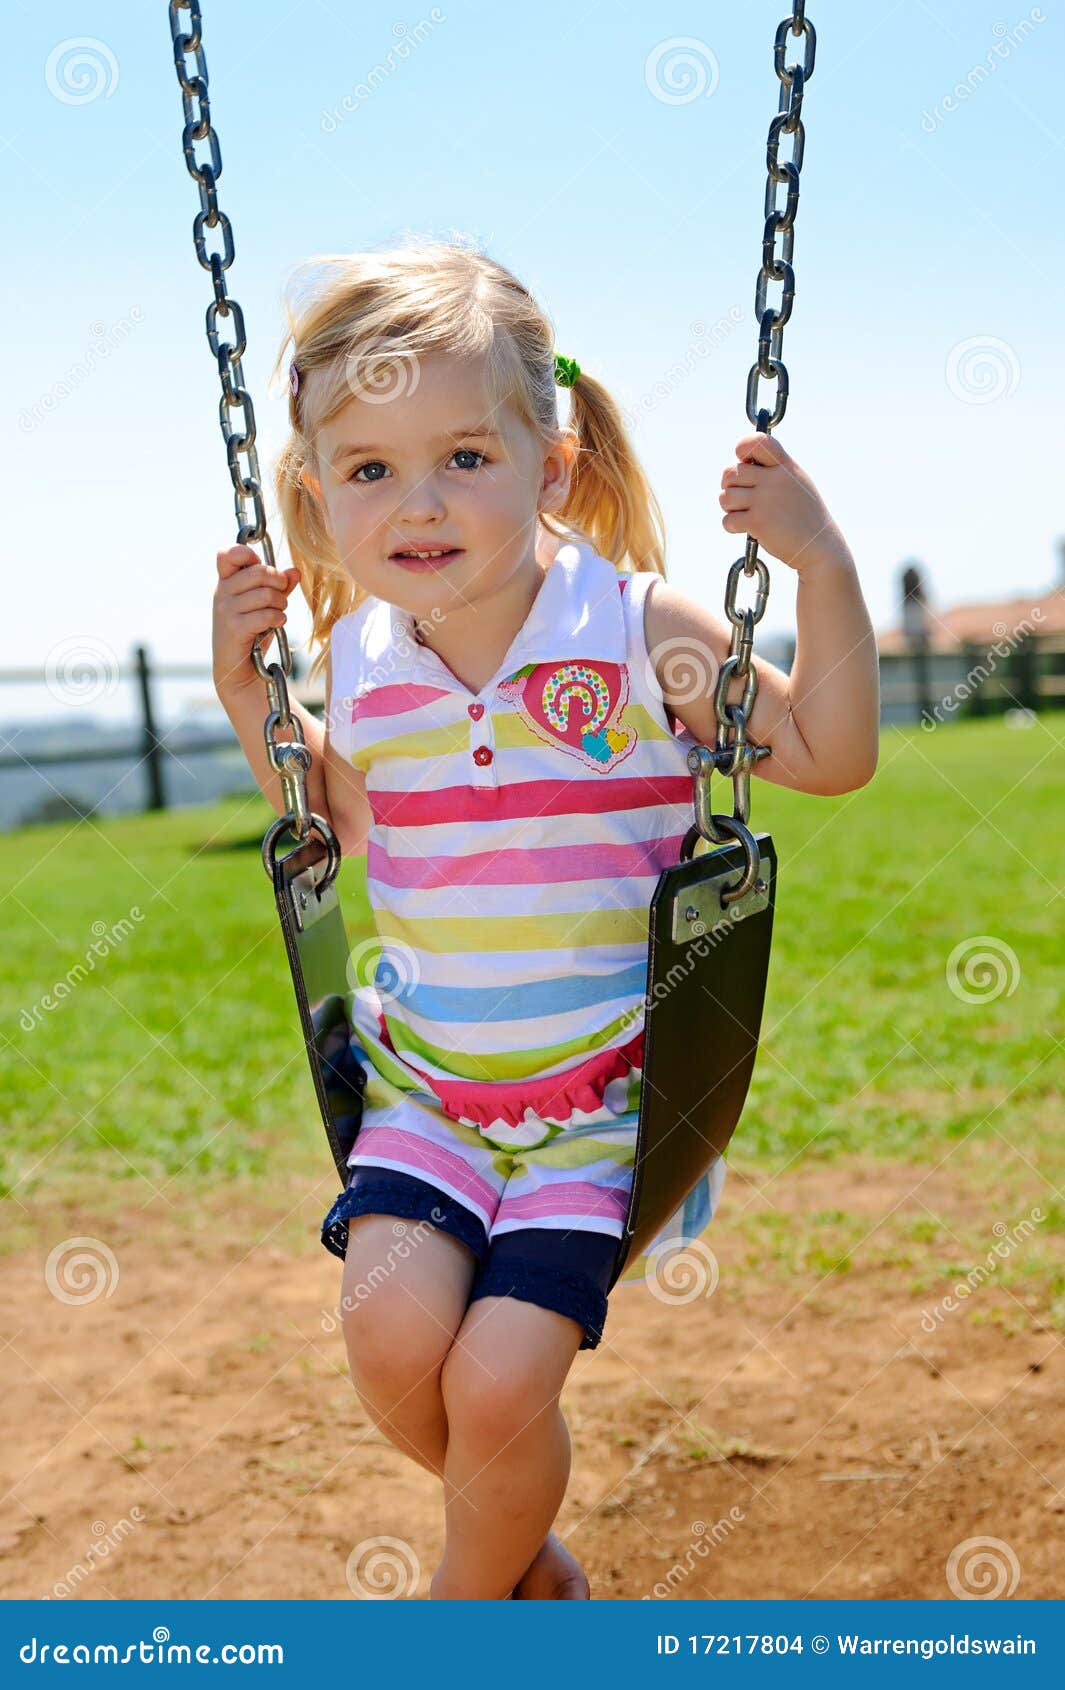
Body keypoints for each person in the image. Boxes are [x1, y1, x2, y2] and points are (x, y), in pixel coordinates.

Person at [212, 239, 880, 1601]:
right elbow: (342, 823)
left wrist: (819, 563)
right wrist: (249, 698)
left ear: (551, 465)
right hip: (429, 1091)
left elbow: (828, 751)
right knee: (389, 1343)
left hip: (604, 1108)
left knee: (499, 1379)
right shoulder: (357, 658)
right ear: (317, 491)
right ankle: (528, 1564)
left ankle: (466, 1618)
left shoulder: (637, 629)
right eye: (369, 469)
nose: (419, 502)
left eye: (464, 456)